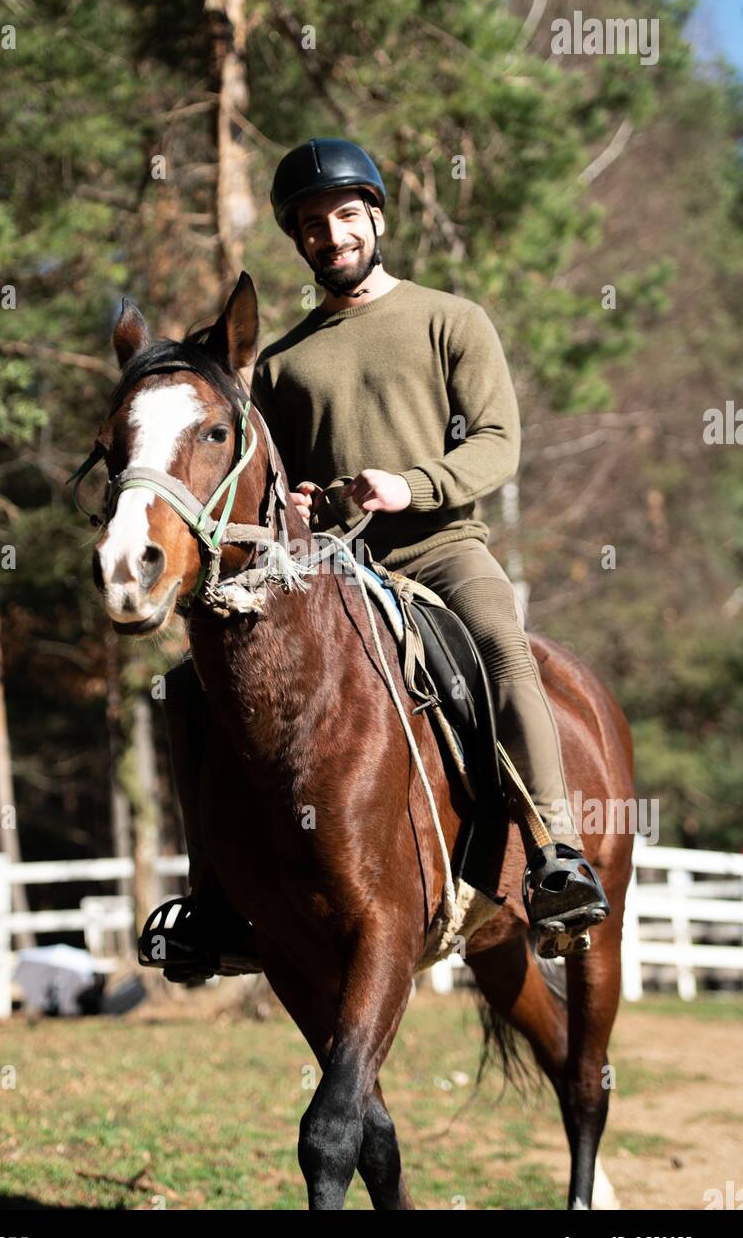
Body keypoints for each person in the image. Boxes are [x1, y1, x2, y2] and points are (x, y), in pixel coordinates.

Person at [153, 137, 609, 980]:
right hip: (327, 571)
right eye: (313, 226)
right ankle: (211, 898)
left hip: (439, 552)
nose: (332, 236)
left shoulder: (451, 320)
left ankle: (554, 853)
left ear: (375, 217)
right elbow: (273, 479)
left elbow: (500, 445)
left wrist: (413, 485)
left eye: (345, 216)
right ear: (300, 242)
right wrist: (292, 506)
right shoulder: (283, 361)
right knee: (186, 685)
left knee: (502, 647)